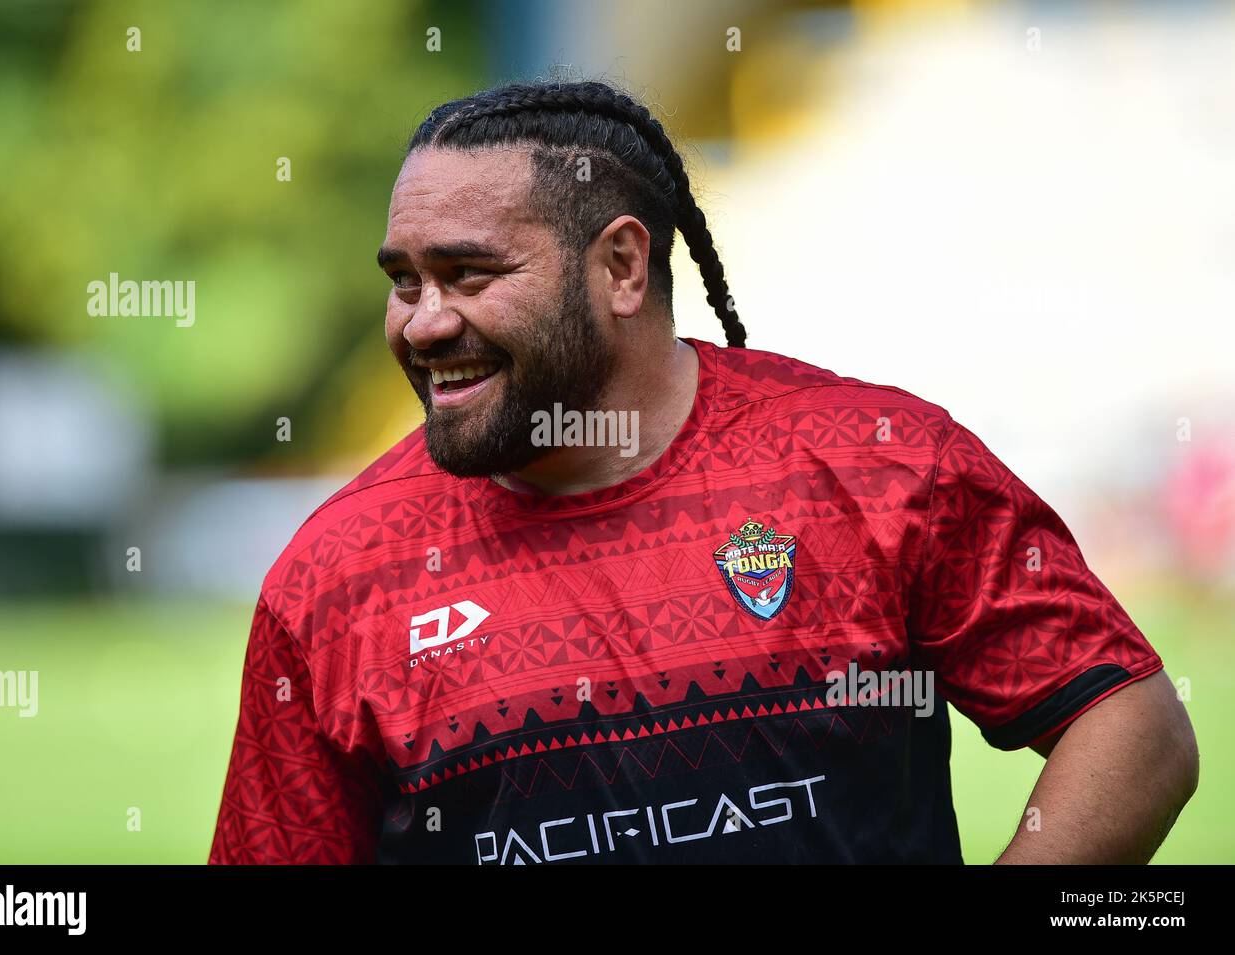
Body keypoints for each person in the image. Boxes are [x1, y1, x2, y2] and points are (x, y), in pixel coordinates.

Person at [209, 81, 1197, 864]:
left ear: (623, 267)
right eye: (403, 280)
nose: (422, 321)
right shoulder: (337, 578)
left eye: (467, 274)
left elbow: (1127, 724)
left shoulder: (878, 463)